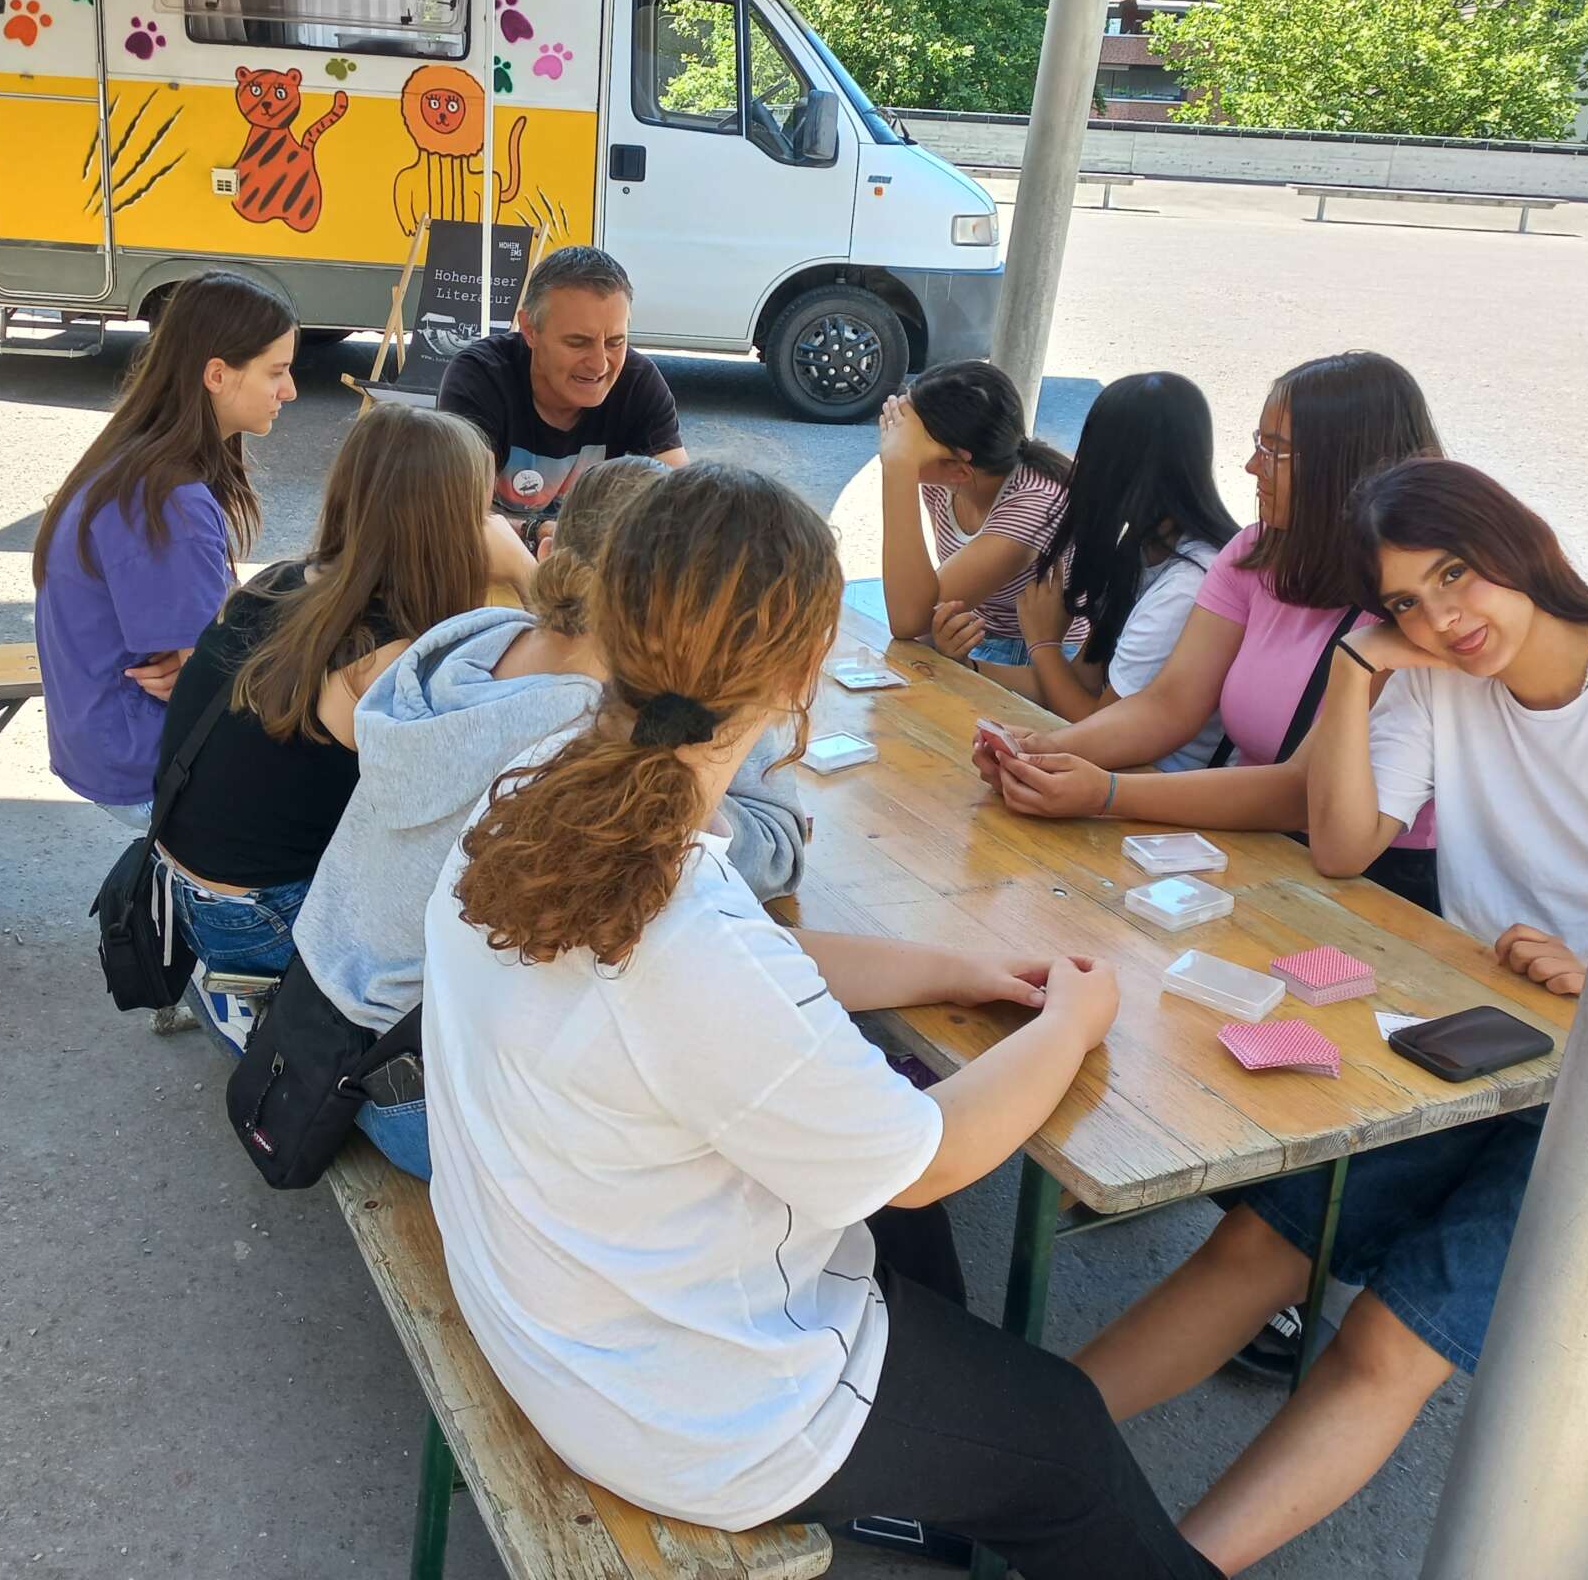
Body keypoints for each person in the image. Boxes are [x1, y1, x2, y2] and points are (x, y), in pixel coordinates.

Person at [423, 462, 1218, 1580]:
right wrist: (1073, 1020)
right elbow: (927, 1160)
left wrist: (955, 965)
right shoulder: (690, 944)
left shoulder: (539, 786)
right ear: (805, 671)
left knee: (911, 1247)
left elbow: (746, 967)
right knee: (1065, 1438)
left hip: (545, 1301)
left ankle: (931, 1476)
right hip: (674, 1405)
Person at [1074, 458, 1588, 1576]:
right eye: (1404, 601)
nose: (1443, 618)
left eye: (1456, 575)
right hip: (1495, 1060)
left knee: (1390, 1336)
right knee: (1259, 1240)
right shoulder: (1434, 676)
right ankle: (1004, 1463)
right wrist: (1354, 675)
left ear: (1518, 543)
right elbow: (1341, 846)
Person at [291, 455, 805, 1178]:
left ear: (556, 546)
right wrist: (745, 701)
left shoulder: (474, 636)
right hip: (418, 1089)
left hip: (320, 1010)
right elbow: (771, 853)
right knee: (727, 1135)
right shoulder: (588, 740)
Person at [975, 350, 1445, 913]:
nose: (1251, 466)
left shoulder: (1409, 603)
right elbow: (1169, 704)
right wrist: (1044, 752)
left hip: (1377, 886)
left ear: (1345, 464)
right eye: (1257, 442)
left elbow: (1300, 792)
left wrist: (1105, 793)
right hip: (1246, 843)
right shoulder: (1254, 553)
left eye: (1275, 451)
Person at [150, 404, 534, 998]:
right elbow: (458, 793)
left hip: (177, 881)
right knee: (473, 907)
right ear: (446, 528)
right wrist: (529, 573)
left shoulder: (282, 580)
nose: (496, 524)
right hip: (255, 917)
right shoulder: (384, 657)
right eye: (482, 510)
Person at [32, 272, 296, 828]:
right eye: (277, 371)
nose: (289, 391)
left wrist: (208, 660)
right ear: (217, 375)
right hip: (143, 760)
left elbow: (200, 656)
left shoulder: (139, 459)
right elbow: (215, 673)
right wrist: (213, 663)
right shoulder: (170, 500)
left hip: (102, 736)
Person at [976, 372, 1239, 760]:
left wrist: (1043, 644)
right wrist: (966, 662)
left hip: (1163, 778)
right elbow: (1080, 681)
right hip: (1121, 763)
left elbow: (1097, 724)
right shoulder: (1142, 547)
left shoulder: (1189, 583)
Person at [433, 244, 687, 544]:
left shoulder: (638, 381)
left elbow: (684, 502)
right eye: (578, 342)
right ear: (530, 330)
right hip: (486, 561)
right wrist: (538, 532)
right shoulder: (480, 377)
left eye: (615, 342)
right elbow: (462, 513)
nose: (599, 364)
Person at [877, 358, 1075, 667]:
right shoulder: (945, 480)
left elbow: (908, 618)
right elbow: (925, 603)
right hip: (974, 631)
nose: (895, 440)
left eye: (909, 437)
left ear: (958, 467)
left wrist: (898, 469)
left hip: (1040, 658)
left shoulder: (1034, 507)